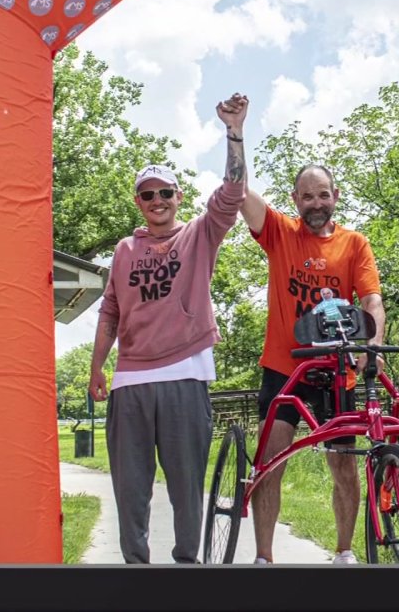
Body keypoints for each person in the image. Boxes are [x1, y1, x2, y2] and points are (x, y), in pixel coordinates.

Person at [87, 93, 250, 564]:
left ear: (178, 197)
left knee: (185, 488)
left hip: (185, 375)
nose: (157, 200)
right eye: (147, 194)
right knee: (131, 490)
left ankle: (185, 567)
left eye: (165, 192)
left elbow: (232, 195)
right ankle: (136, 570)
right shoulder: (123, 250)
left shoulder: (199, 234)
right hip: (131, 382)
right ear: (138, 202)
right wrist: (98, 369)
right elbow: (110, 314)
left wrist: (234, 131)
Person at [223, 107, 385, 563]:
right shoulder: (280, 232)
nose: (316, 203)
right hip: (284, 366)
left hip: (336, 371)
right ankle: (264, 559)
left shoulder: (354, 244)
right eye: (307, 197)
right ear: (295, 199)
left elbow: (372, 302)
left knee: (344, 467)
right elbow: (237, 192)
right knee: (270, 464)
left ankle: (344, 553)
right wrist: (235, 133)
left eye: (323, 195)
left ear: (335, 196)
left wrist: (371, 351)